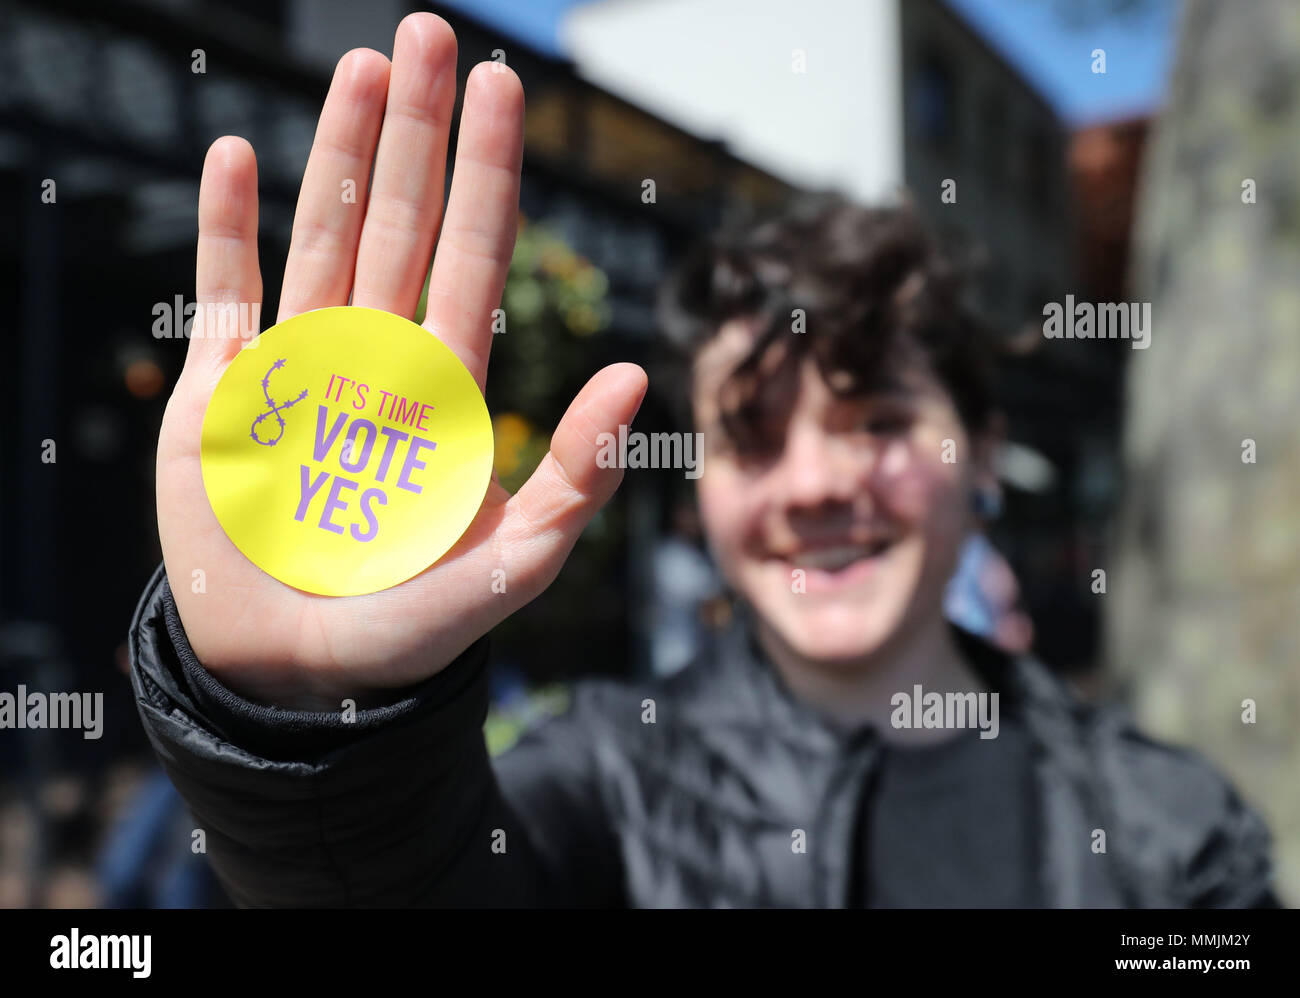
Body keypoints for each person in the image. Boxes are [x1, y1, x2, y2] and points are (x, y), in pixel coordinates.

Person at [129, 13, 1278, 907]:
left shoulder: (1173, 828)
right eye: (753, 435)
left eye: (875, 419)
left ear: (981, 448)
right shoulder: (605, 782)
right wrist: (308, 727)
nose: (818, 482)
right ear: (707, 485)